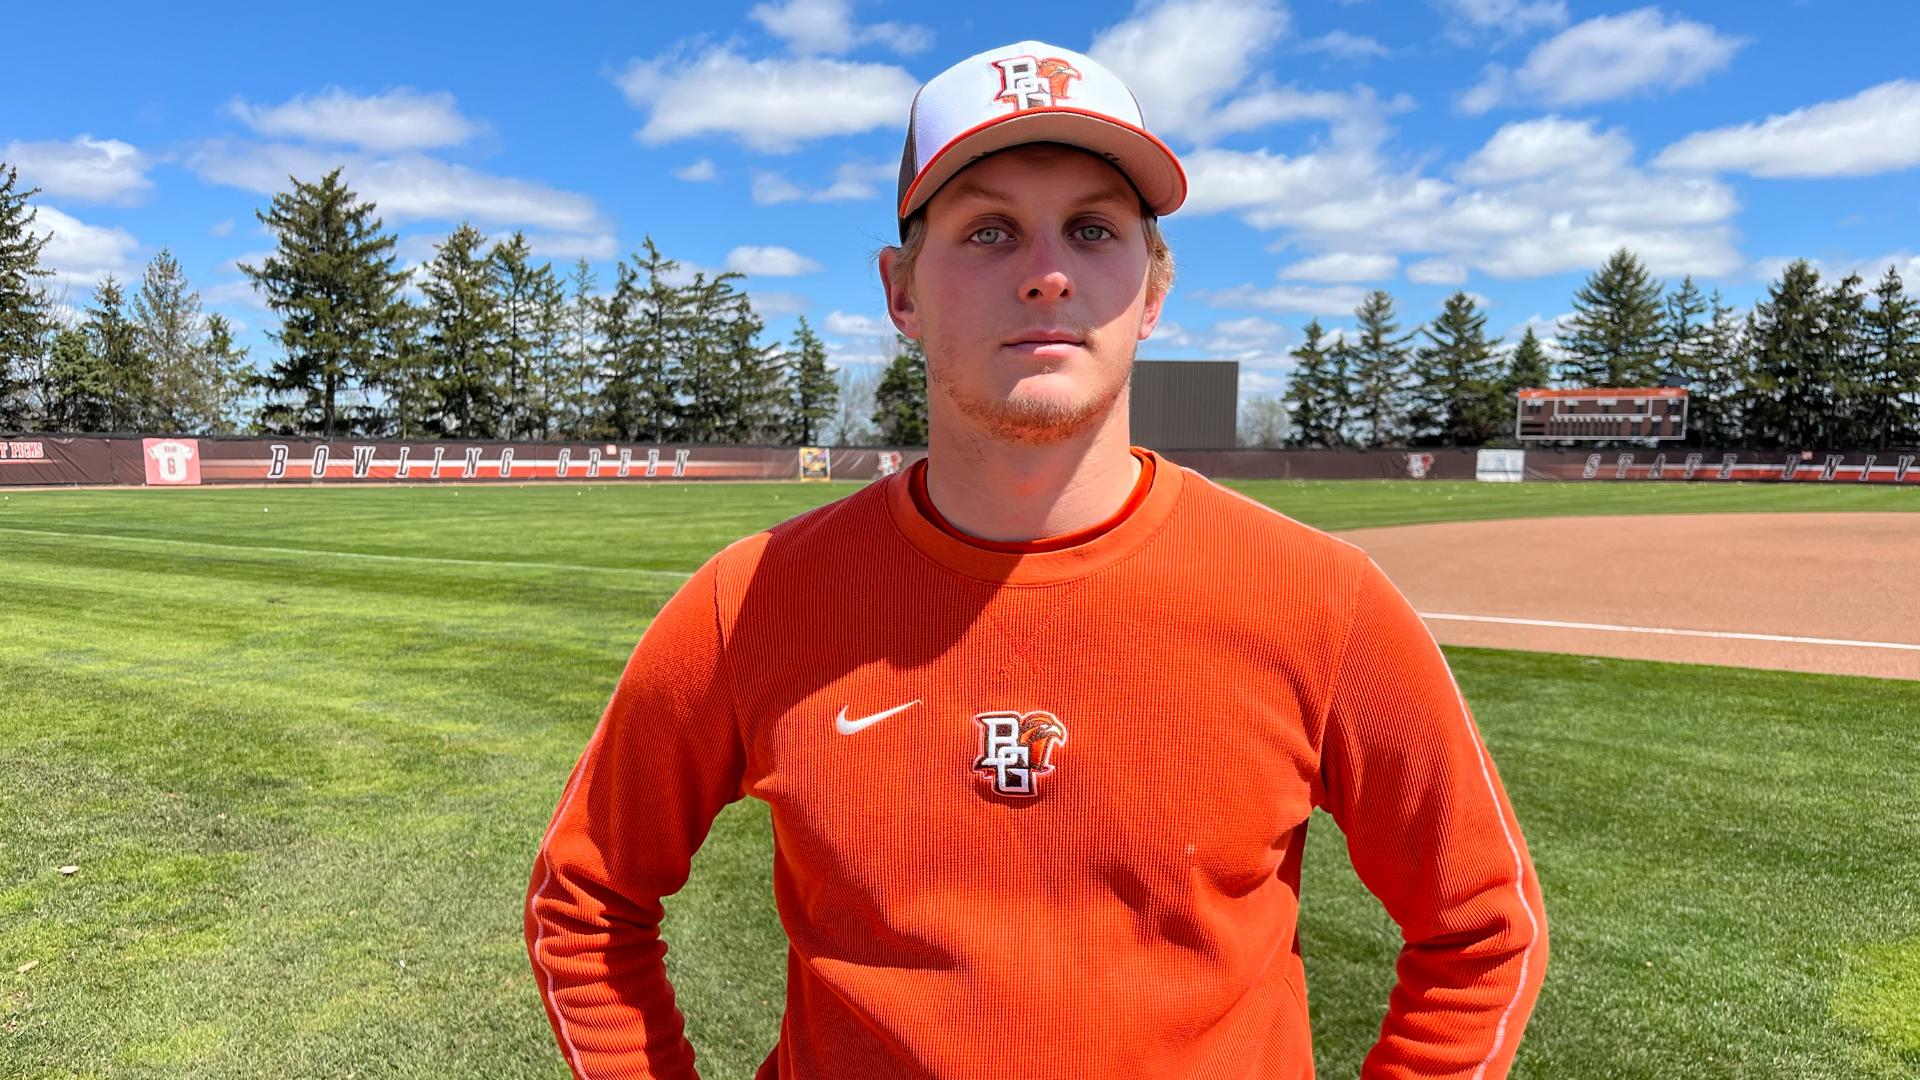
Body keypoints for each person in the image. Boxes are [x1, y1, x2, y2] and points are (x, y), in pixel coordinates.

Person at [525, 39, 1547, 1080]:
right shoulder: (751, 603)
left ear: (1150, 290)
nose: (1048, 274)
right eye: (989, 230)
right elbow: (587, 902)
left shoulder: (1320, 601)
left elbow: (1480, 927)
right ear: (900, 293)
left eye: (1094, 228)